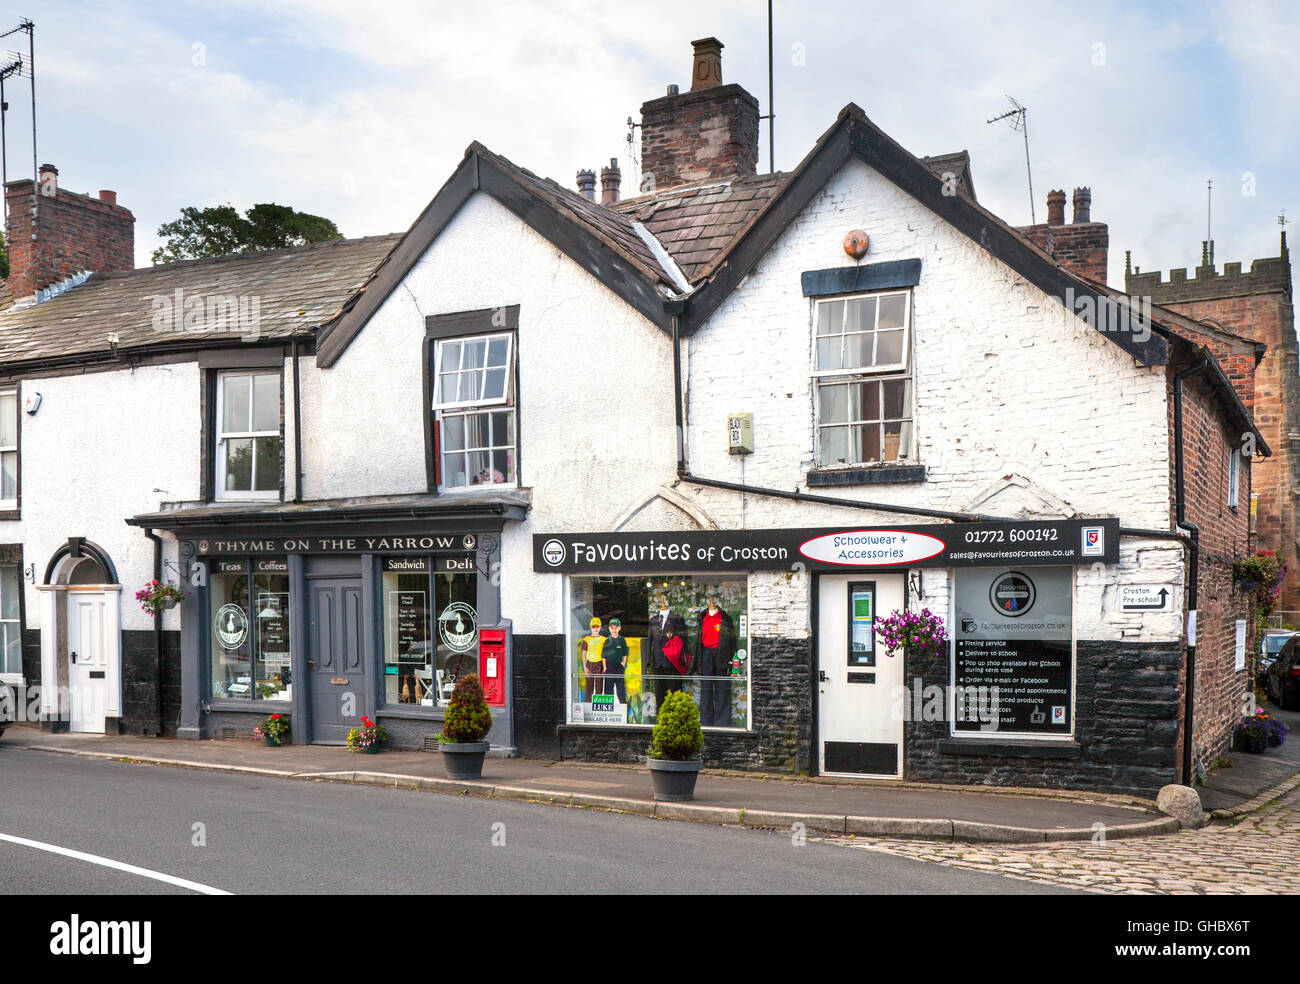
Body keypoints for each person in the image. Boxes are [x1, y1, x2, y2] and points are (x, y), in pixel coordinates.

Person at [694, 595, 735, 727]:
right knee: (706, 689)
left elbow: (732, 640)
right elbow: (698, 641)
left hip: (722, 653)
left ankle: (722, 723)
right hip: (706, 654)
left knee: (722, 688)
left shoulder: (725, 618)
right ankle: (705, 722)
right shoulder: (702, 617)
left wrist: (732, 659)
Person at [647, 595, 688, 717]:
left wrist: (682, 659)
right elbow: (649, 641)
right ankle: (661, 719)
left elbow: (683, 641)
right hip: (657, 663)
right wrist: (648, 661)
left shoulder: (677, 619)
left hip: (672, 663)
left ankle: (674, 719)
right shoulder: (653, 620)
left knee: (674, 693)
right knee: (659, 694)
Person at [602, 617, 629, 703]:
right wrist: (605, 667)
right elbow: (603, 656)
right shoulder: (607, 640)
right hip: (609, 667)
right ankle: (609, 710)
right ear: (609, 628)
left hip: (618, 667)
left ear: (619, 628)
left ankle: (623, 710)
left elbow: (625, 654)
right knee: (608, 690)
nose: (614, 630)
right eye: (612, 628)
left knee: (621, 690)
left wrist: (623, 665)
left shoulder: (622, 640)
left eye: (616, 628)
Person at [580, 617, 606, 702]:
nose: (595, 629)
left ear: (600, 627)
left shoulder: (603, 639)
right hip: (590, 664)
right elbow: (584, 653)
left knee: (599, 687)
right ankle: (588, 705)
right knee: (589, 687)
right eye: (593, 627)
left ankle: (598, 706)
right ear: (591, 627)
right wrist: (585, 667)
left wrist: (605, 666)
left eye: (597, 627)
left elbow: (606, 653)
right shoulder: (587, 639)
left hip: (600, 664)